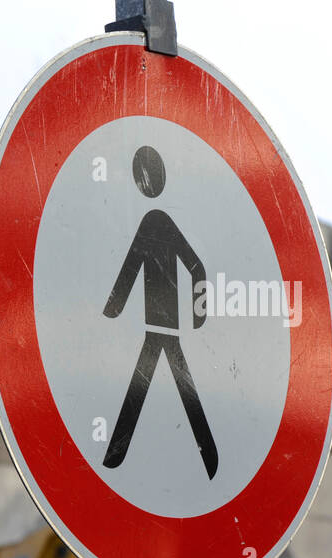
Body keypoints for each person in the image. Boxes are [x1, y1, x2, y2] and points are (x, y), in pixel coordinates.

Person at [102, 145, 218, 479]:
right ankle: (209, 457)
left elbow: (134, 267)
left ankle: (116, 454)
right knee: (171, 386)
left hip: (161, 324)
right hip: (164, 325)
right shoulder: (158, 221)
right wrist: (198, 314)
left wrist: (112, 310)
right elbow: (194, 268)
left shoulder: (155, 221)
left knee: (153, 386)